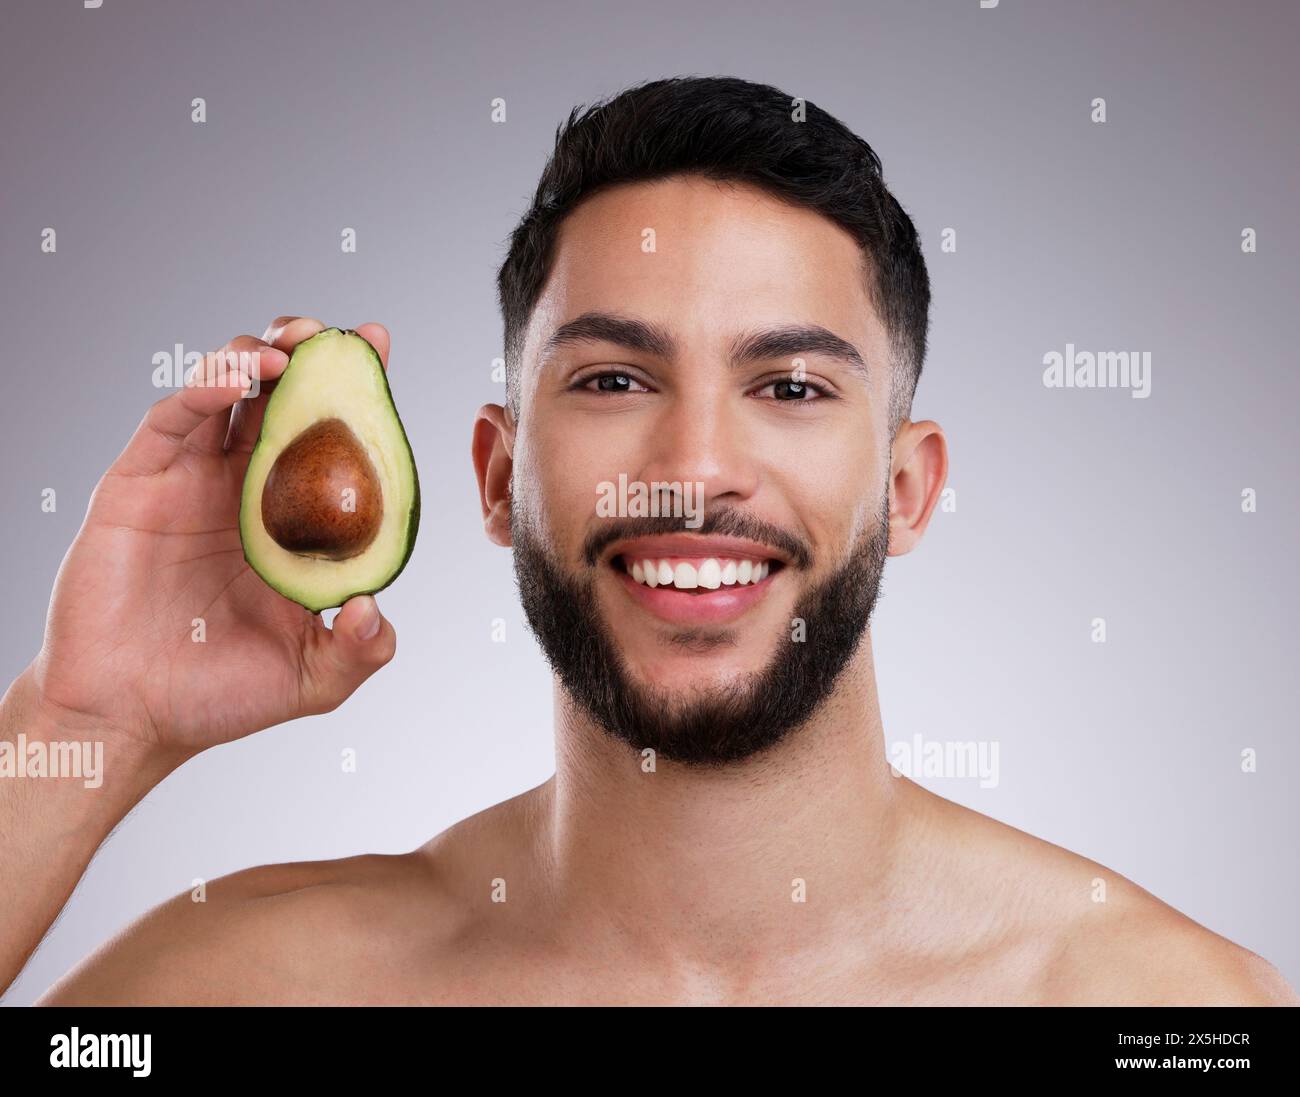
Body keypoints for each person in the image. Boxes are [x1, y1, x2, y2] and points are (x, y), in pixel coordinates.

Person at [4, 76, 1293, 1005]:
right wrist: (84, 730)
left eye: (789, 387)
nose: (692, 474)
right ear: (501, 477)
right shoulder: (246, 990)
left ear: (907, 488)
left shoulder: (1166, 1016)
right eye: (615, 380)